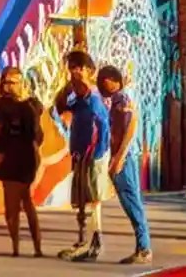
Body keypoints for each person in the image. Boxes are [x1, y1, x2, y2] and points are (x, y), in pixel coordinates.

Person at [55, 50, 111, 262]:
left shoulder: (94, 98)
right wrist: (68, 85)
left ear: (89, 70)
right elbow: (60, 106)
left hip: (92, 156)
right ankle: (83, 240)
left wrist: (96, 154)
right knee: (81, 200)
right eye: (72, 68)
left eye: (78, 68)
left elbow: (103, 127)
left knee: (93, 198)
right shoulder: (78, 98)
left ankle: (93, 242)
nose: (75, 72)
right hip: (80, 154)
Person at [97, 65, 152, 265]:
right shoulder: (122, 97)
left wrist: (119, 157)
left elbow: (131, 125)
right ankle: (142, 246)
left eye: (106, 80)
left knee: (131, 201)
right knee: (132, 200)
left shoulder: (122, 99)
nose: (103, 83)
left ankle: (144, 248)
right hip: (125, 155)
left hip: (125, 157)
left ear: (114, 80)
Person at [0, 67, 45, 257]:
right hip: (7, 156)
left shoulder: (31, 105)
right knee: (13, 203)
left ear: (22, 84)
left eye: (14, 82)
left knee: (25, 201)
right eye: (7, 82)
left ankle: (36, 246)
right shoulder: (0, 106)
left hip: (26, 156)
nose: (9, 86)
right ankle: (17, 246)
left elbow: (37, 133)